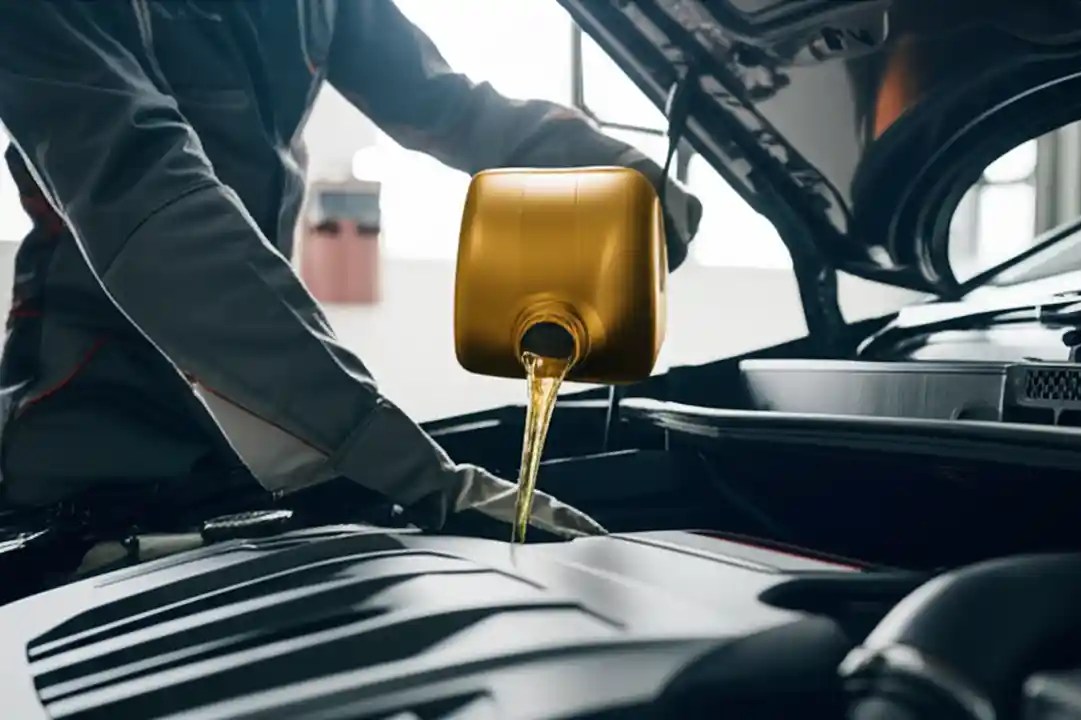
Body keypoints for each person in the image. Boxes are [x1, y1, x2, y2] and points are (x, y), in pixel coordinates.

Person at [0, 1, 700, 536]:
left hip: (253, 441)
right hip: (90, 450)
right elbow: (142, 192)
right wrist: (406, 471)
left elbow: (443, 102)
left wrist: (615, 166)